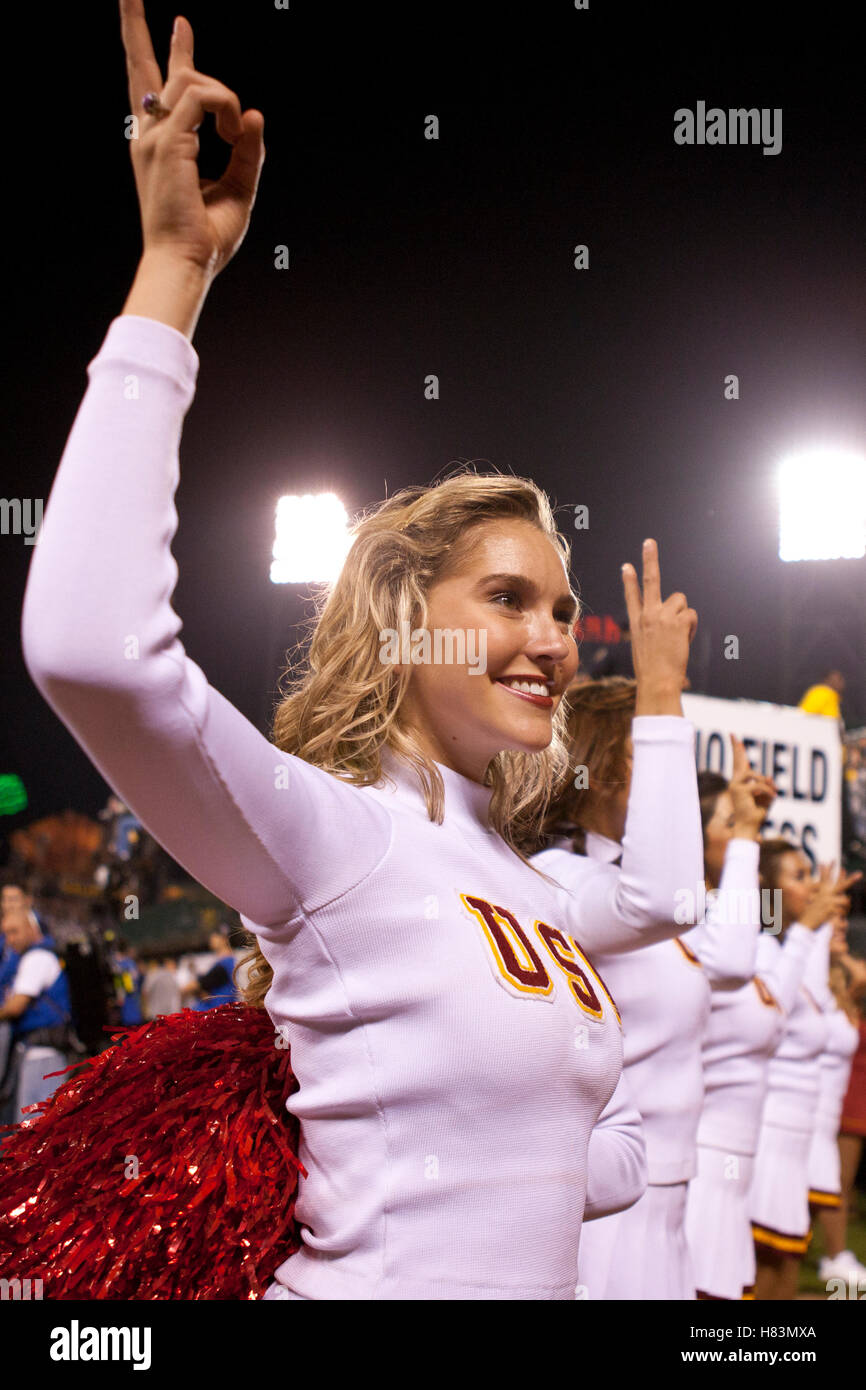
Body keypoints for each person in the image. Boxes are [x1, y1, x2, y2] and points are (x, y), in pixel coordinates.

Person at [14, 1, 703, 1302]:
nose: (549, 639)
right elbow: (91, 650)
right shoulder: (340, 837)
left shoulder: (534, 885)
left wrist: (573, 1160)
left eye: (558, 611)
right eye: (505, 598)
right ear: (401, 624)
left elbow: (661, 903)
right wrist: (175, 270)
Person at [531, 675, 710, 1301]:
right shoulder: (554, 877)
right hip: (607, 1211)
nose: (675, 776)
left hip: (669, 1193)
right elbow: (661, 902)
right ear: (602, 765)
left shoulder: (624, 882)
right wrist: (660, 694)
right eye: (653, 754)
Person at [682, 759, 790, 1301]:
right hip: (693, 1161)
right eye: (730, 821)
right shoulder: (682, 918)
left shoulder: (738, 920)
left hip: (734, 1165)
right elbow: (728, 965)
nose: (745, 828)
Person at [749, 844, 858, 1300]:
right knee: (758, 1276)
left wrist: (816, 925)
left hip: (797, 1140)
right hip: (765, 1137)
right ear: (769, 889)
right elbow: (778, 1007)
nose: (812, 886)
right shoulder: (758, 952)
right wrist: (812, 926)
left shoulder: (791, 952)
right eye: (799, 875)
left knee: (786, 1274)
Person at [0, 905, 76, 1126]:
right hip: (36, 1054)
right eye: (6, 934)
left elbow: (16, 1006)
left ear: (32, 929)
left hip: (44, 1055)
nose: (10, 939)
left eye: (15, 931)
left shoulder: (38, 957)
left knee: (37, 1130)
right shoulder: (30, 958)